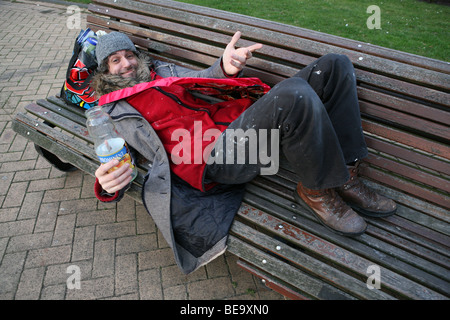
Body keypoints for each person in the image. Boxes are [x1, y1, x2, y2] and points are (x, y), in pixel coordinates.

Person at [90, 31, 396, 274]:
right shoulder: (113, 112)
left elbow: (203, 82)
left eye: (129, 55)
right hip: (213, 160)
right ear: (105, 71)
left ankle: (344, 172)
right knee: (293, 95)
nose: (127, 63)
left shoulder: (161, 72)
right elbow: (113, 160)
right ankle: (316, 190)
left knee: (334, 65)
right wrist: (106, 185)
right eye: (115, 60)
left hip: (240, 126)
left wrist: (225, 67)